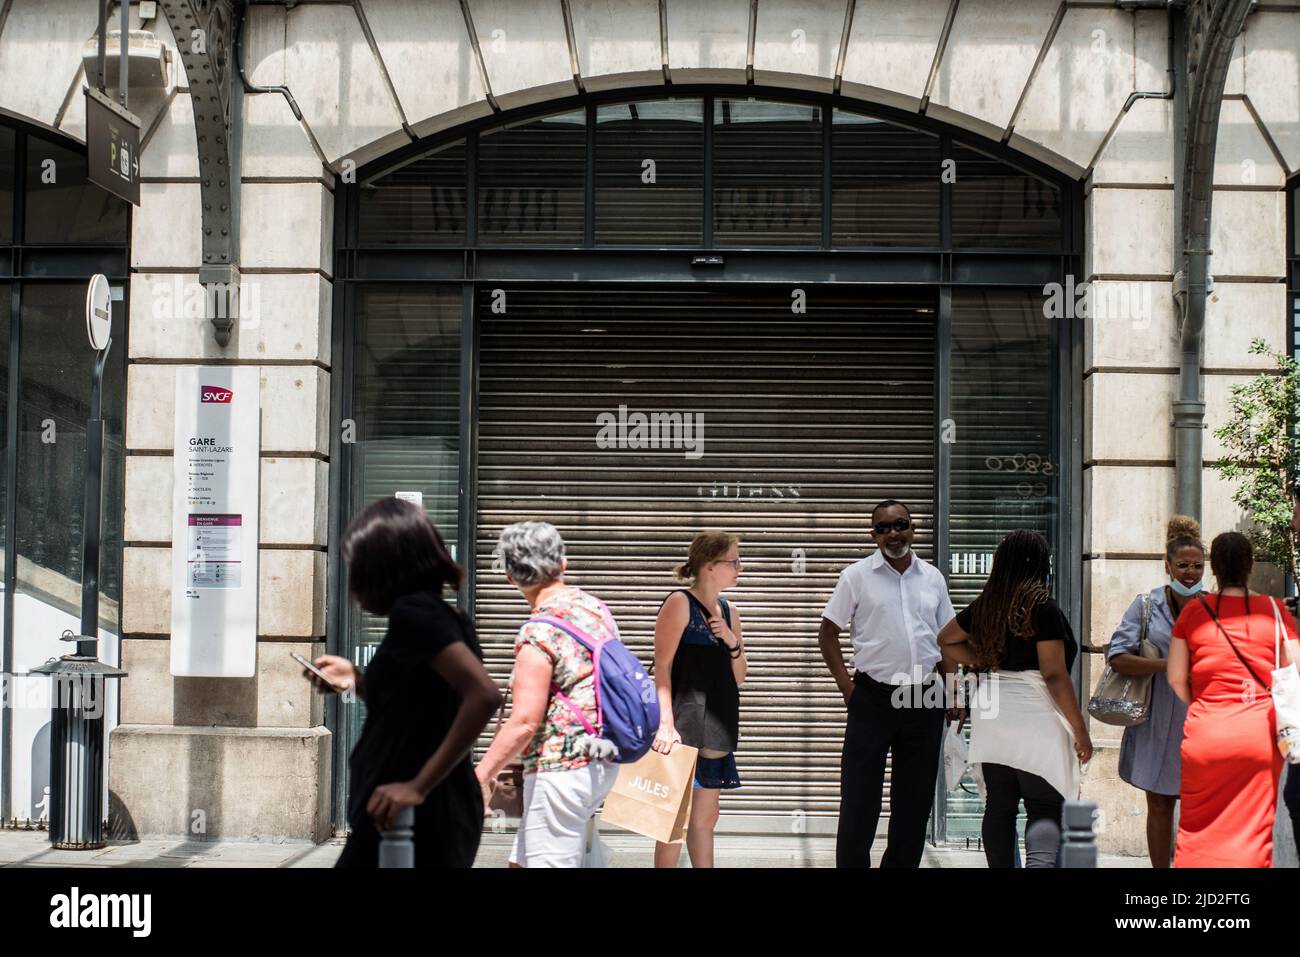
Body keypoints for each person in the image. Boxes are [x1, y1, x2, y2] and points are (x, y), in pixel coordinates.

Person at [308, 497, 501, 868]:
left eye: (358, 565)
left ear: (383, 565)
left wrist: (417, 787)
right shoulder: (439, 615)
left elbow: (483, 695)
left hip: (418, 819)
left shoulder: (417, 614)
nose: (354, 583)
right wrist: (357, 681)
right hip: (413, 815)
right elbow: (418, 708)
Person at [937, 530, 1091, 868]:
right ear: (1039, 564)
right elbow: (1053, 674)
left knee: (1000, 805)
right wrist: (1080, 730)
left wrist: (980, 659)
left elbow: (946, 639)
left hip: (994, 711)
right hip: (1034, 711)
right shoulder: (1043, 608)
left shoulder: (987, 605)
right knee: (1044, 805)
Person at [474, 521, 621, 867]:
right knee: (521, 862)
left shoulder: (538, 632)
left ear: (511, 577)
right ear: (563, 564)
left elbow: (525, 721)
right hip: (602, 760)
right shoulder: (595, 608)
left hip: (562, 768)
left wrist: (482, 775)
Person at [818, 500, 955, 868]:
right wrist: (849, 690)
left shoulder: (933, 578)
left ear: (913, 527)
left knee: (914, 802)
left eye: (900, 525)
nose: (894, 533)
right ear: (873, 535)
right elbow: (828, 634)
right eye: (884, 528)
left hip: (925, 699)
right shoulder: (856, 576)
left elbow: (945, 641)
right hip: (873, 698)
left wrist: (954, 692)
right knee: (860, 800)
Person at [1168, 531, 1300, 867]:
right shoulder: (1273, 610)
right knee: (1253, 829)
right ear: (1252, 565)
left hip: (1206, 729)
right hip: (1257, 733)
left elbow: (1174, 677)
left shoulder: (1193, 613)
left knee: (1197, 827)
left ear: (1212, 567)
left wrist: (1204, 701)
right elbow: (1295, 669)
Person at [1105, 516, 1201, 867]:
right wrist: (1166, 665)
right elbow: (1118, 657)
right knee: (1160, 803)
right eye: (1182, 566)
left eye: (1196, 566)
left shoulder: (1213, 608)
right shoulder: (1145, 606)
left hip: (1200, 721)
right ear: (1167, 565)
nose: (1189, 573)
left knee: (1197, 806)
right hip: (1155, 720)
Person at [650, 531, 747, 868]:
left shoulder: (729, 610)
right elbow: (661, 666)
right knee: (673, 820)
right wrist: (665, 724)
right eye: (733, 561)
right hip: (682, 725)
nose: (740, 568)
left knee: (706, 819)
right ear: (709, 565)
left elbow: (739, 677)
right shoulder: (680, 603)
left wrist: (731, 641)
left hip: (717, 726)